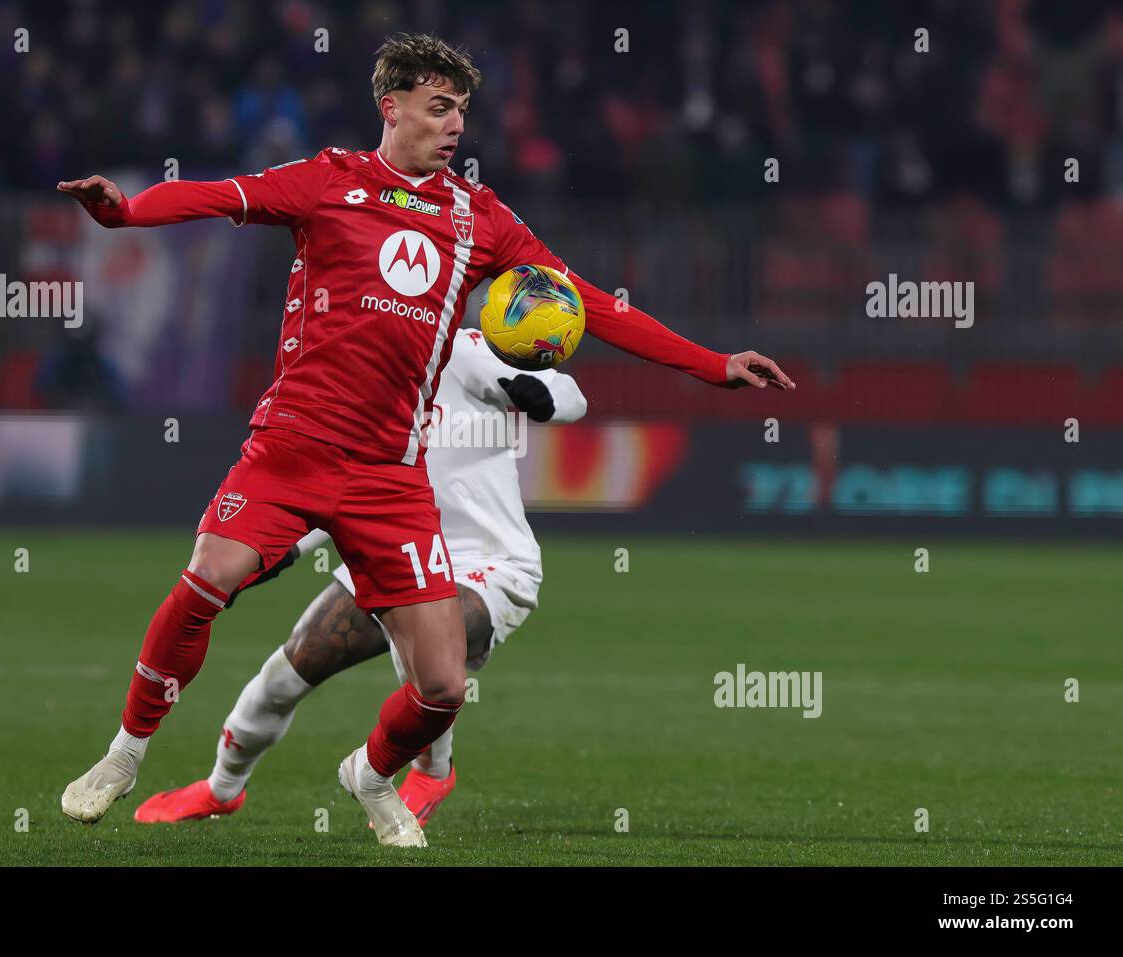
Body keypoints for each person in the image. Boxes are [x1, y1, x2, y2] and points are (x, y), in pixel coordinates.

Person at [57, 33, 793, 848]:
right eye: (439, 108)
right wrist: (124, 210)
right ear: (392, 106)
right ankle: (126, 752)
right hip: (293, 446)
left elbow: (592, 302)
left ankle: (370, 774)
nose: (453, 127)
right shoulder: (329, 181)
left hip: (388, 474)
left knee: (442, 684)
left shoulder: (477, 217)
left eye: (461, 112)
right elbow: (216, 197)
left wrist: (713, 364)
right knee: (206, 580)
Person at [133, 327, 585, 827]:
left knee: (423, 644)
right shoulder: (353, 383)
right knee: (283, 677)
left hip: (492, 564)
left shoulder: (461, 348)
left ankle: (431, 772)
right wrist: (284, 552)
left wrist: (541, 397)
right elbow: (337, 491)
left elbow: (571, 394)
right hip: (390, 552)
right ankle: (221, 789)